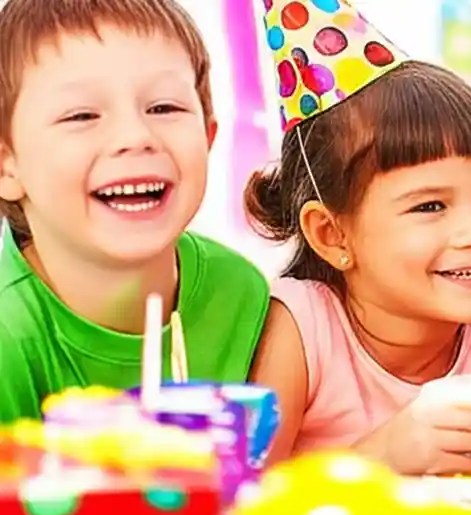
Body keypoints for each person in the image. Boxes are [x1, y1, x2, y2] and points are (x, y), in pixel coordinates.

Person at [246, 0, 471, 474]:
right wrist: (379, 458)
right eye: (429, 206)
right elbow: (243, 507)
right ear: (331, 234)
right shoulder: (300, 330)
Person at [0, 0, 269, 421]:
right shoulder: (8, 335)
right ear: (5, 163)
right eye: (81, 115)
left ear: (208, 134)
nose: (134, 136)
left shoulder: (242, 296)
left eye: (164, 108)